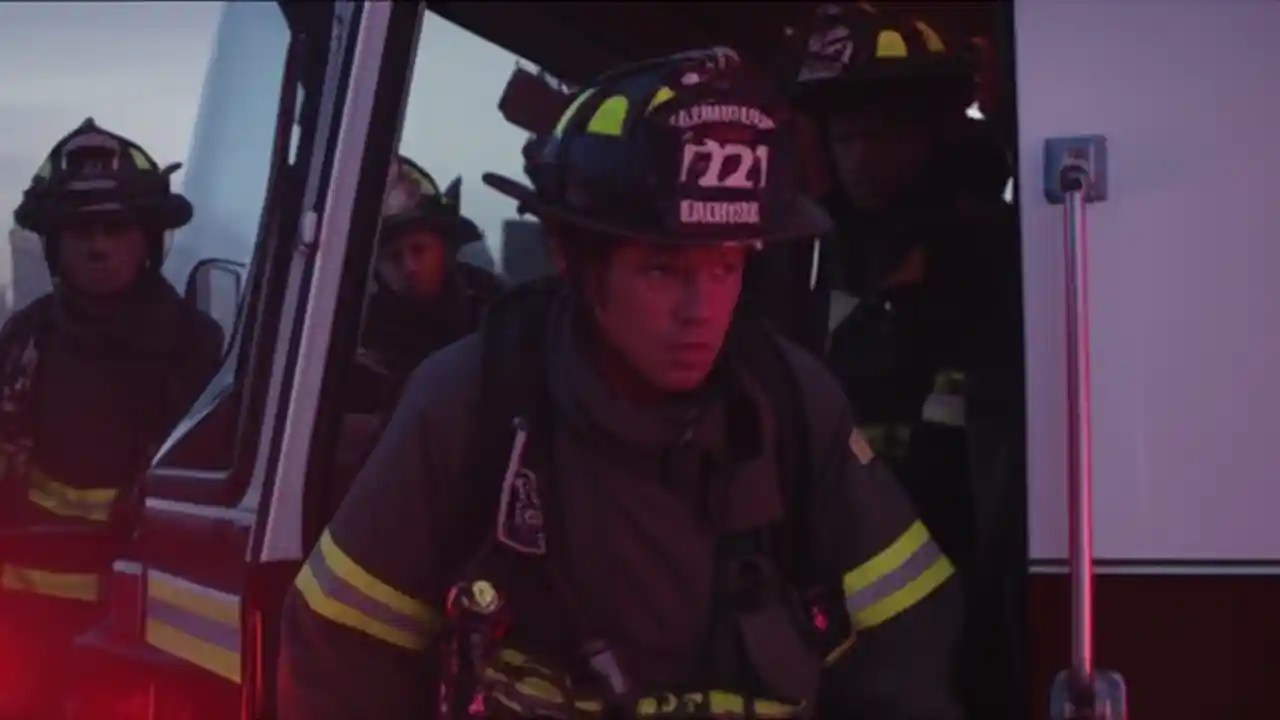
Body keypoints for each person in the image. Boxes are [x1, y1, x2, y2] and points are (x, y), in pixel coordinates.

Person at [279, 48, 962, 719]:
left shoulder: (793, 402)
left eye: (725, 267)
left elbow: (909, 643)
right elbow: (340, 648)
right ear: (567, 255)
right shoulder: (470, 401)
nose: (702, 311)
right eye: (663, 270)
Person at [792, 4, 1027, 719]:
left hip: (961, 614)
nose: (858, 158)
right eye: (843, 138)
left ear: (929, 133)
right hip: (830, 611)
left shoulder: (998, 262)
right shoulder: (812, 259)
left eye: (877, 135)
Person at [0, 118, 225, 718]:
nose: (98, 246)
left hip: (152, 635)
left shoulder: (197, 348)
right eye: (79, 230)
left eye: (115, 227)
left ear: (147, 238)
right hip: (25, 637)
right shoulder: (21, 343)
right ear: (53, 244)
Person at [352, 154, 504, 414]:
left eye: (419, 249)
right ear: (375, 267)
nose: (409, 267)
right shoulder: (360, 337)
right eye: (393, 257)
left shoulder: (498, 312)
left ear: (444, 249)